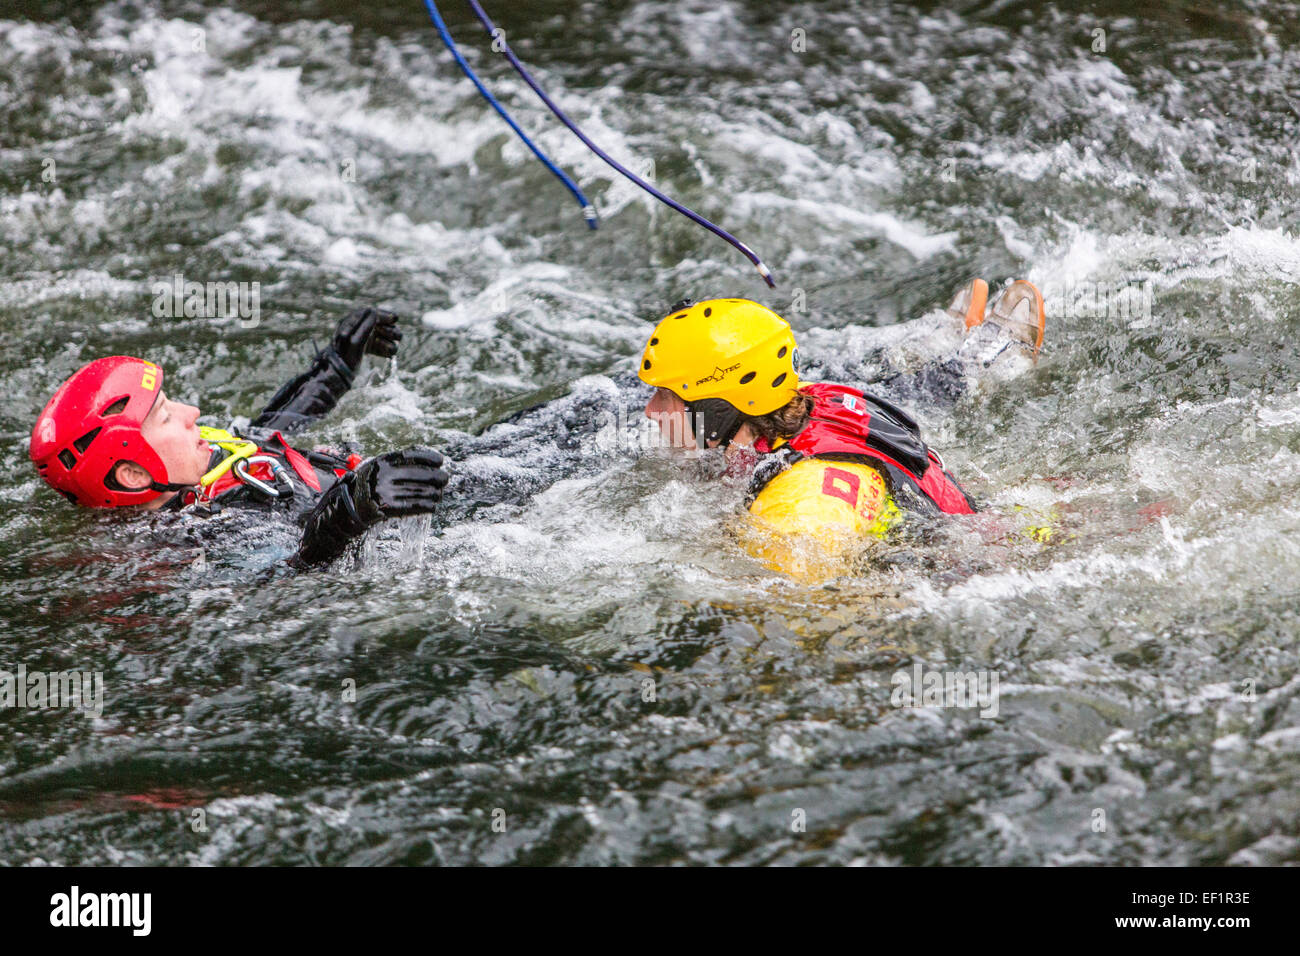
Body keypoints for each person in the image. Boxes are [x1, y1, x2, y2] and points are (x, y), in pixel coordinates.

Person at [637, 281, 1046, 575]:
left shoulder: (801, 509)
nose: (651, 412)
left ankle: (991, 353)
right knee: (909, 389)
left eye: (665, 397)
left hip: (986, 562)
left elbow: (818, 612)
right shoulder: (804, 397)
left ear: (714, 411)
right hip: (973, 511)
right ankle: (961, 351)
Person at [28, 307, 450, 567]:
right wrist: (348, 510)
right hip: (442, 517)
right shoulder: (195, 539)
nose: (191, 413)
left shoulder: (203, 459)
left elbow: (271, 430)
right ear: (135, 475)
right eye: (165, 417)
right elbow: (288, 573)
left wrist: (335, 367)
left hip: (415, 481)